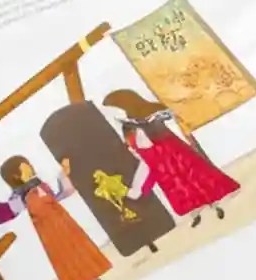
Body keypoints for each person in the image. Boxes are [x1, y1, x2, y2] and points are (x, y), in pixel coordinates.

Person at [39, 101, 175, 257]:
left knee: (131, 195)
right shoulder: (69, 144)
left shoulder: (100, 126)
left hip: (113, 162)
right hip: (98, 171)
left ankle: (148, 227)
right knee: (119, 204)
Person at [0, 155, 110, 280]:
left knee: (80, 249)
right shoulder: (20, 196)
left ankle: (91, 277)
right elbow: (2, 212)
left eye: (29, 166)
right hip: (48, 231)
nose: (30, 169)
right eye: (25, 169)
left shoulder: (41, 185)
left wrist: (64, 173)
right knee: (63, 260)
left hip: (64, 222)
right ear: (15, 176)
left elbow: (61, 194)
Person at [101, 89, 240, 228]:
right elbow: (137, 147)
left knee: (193, 176)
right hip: (158, 161)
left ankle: (214, 203)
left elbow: (169, 124)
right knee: (178, 185)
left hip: (172, 153)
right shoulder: (128, 126)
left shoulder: (153, 111)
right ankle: (196, 209)